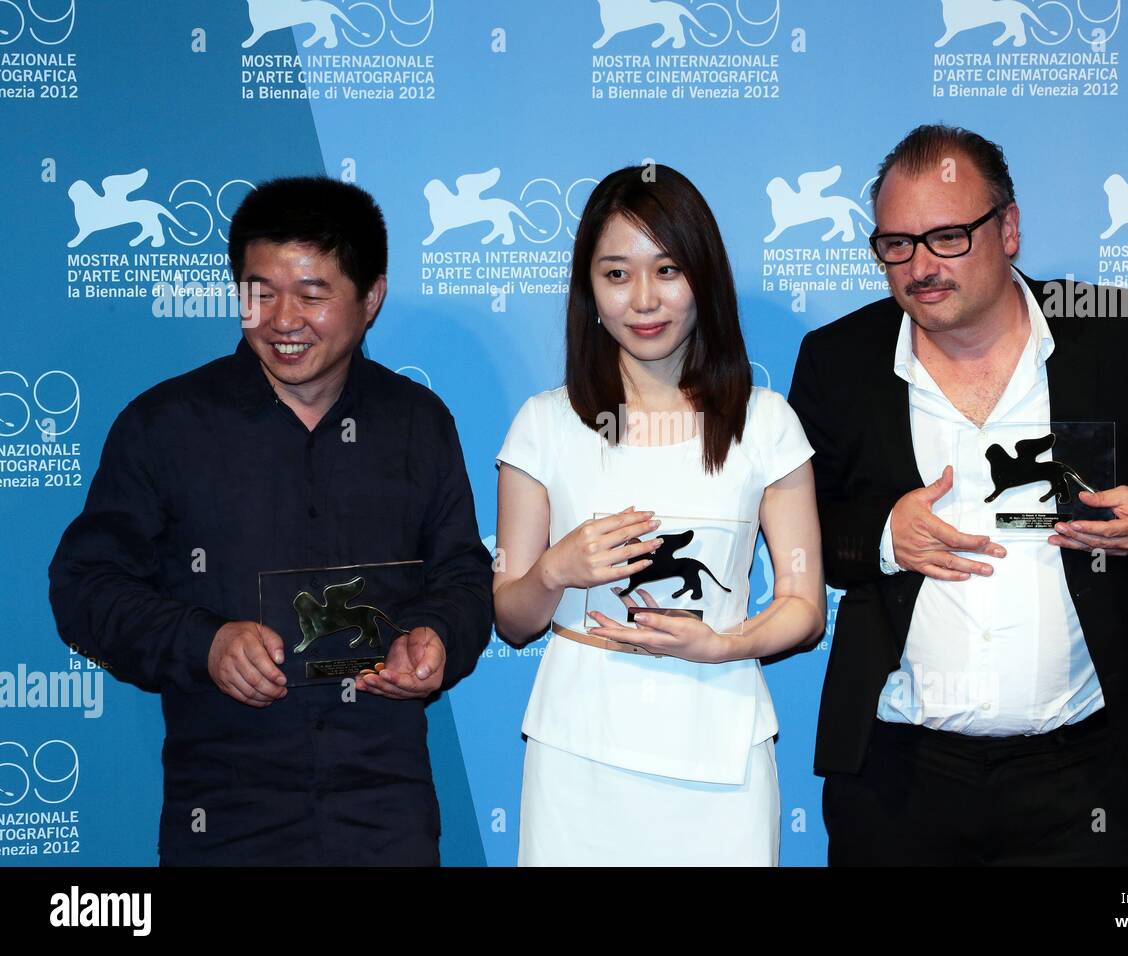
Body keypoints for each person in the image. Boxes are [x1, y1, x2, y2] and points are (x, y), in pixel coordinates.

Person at [789, 125, 1128, 866]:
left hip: (1079, 779)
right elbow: (802, 529)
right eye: (895, 244)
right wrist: (879, 535)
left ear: (1009, 228)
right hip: (896, 779)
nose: (920, 266)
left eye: (946, 237)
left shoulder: (1114, 334)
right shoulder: (839, 361)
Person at [48, 176, 493, 865]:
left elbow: (464, 573)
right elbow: (85, 590)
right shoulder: (165, 426)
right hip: (225, 814)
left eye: (313, 295)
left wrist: (439, 636)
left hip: (385, 811)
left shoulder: (418, 425)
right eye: (259, 292)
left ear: (370, 297)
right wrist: (204, 643)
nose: (283, 319)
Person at [492, 164, 826, 866]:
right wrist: (555, 569)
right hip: (579, 750)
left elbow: (803, 605)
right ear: (590, 288)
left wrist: (721, 645)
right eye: (617, 274)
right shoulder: (545, 425)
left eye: (667, 269)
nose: (644, 299)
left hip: (721, 743)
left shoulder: (765, 424)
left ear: (702, 276)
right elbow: (512, 618)